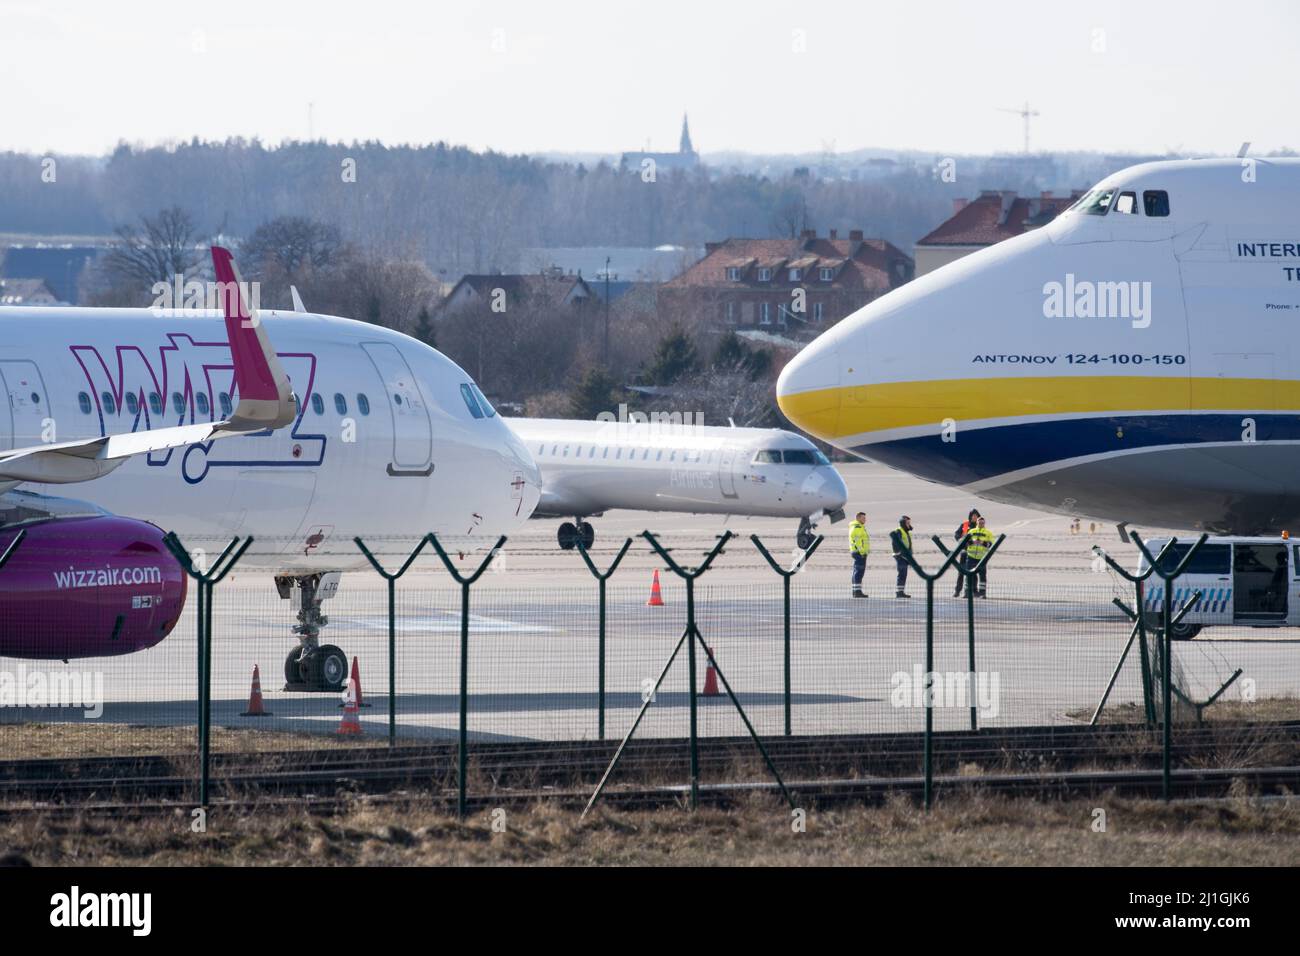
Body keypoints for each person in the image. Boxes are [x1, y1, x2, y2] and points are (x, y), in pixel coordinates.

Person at [953, 508, 982, 597]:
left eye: (976, 516)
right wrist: (960, 539)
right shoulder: (964, 525)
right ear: (970, 516)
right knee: (961, 572)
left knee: (974, 572)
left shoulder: (979, 527)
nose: (974, 517)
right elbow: (957, 534)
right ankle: (958, 590)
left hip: (974, 553)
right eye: (973, 516)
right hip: (964, 552)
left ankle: (974, 591)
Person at [965, 516, 995, 597]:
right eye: (979, 523)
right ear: (977, 523)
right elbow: (965, 542)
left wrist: (983, 543)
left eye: (982, 523)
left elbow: (992, 544)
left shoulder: (988, 533)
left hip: (982, 558)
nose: (981, 524)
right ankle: (971, 592)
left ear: (984, 523)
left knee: (982, 575)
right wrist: (973, 542)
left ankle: (982, 593)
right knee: (970, 575)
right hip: (971, 556)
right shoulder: (971, 531)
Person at [890, 515, 914, 598]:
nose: (909, 524)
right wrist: (899, 553)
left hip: (906, 556)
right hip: (900, 556)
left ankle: (901, 591)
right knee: (902, 573)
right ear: (903, 523)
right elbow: (895, 543)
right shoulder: (899, 531)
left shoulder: (906, 532)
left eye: (909, 523)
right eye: (907, 523)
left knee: (904, 574)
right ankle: (899, 592)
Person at [848, 511, 870, 599]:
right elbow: (857, 541)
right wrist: (862, 552)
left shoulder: (860, 527)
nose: (865, 519)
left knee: (858, 572)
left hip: (859, 552)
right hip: (859, 553)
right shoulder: (857, 527)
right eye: (863, 518)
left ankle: (857, 590)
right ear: (858, 518)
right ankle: (857, 591)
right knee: (858, 572)